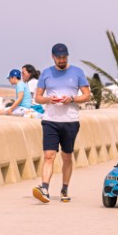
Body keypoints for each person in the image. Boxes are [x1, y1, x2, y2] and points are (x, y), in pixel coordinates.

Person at [31, 44, 91, 203]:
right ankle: (44, 188)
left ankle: (64, 189)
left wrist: (71, 99)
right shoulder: (46, 73)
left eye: (64, 57)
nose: (62, 60)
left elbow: (87, 95)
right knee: (49, 155)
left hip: (70, 120)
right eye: (59, 57)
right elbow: (37, 97)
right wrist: (47, 99)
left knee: (66, 156)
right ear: (53, 57)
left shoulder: (77, 72)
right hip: (50, 120)